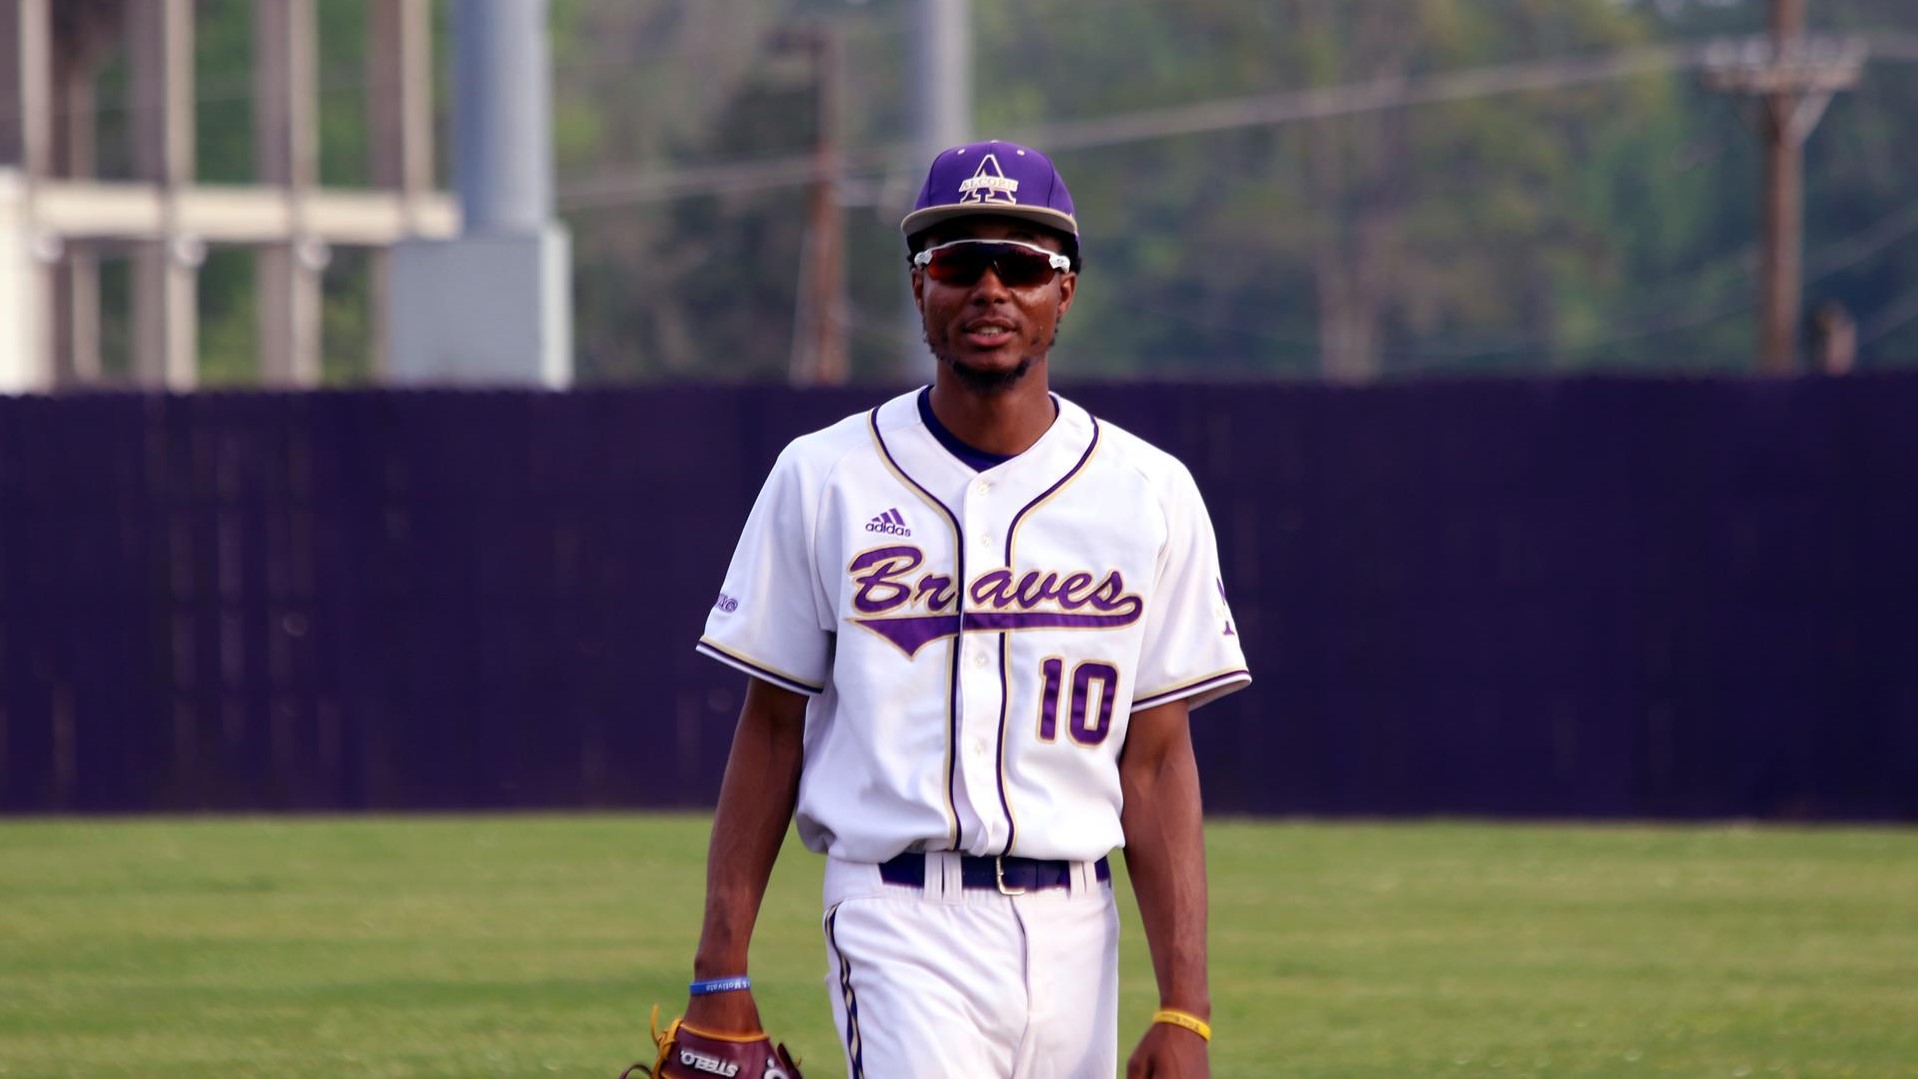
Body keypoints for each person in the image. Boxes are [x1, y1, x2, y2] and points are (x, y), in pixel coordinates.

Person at [682, 139, 1251, 1078]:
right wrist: (719, 968)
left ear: (1064, 290)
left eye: (1021, 263)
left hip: (1079, 924)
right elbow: (773, 729)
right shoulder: (824, 477)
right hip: (896, 912)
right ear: (919, 285)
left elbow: (1154, 764)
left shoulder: (1150, 492)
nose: (990, 288)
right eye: (958, 261)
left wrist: (1185, 1006)